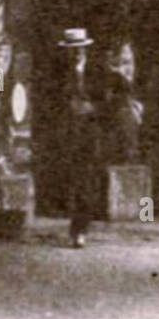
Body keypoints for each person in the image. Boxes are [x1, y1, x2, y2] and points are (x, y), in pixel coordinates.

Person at [58, 28, 104, 248]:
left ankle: (80, 229)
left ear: (85, 49)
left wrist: (94, 108)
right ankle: (75, 224)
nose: (75, 53)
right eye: (71, 50)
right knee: (72, 179)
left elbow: (117, 95)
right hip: (69, 131)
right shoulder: (60, 73)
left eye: (79, 49)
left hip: (90, 132)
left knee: (86, 180)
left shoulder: (98, 70)